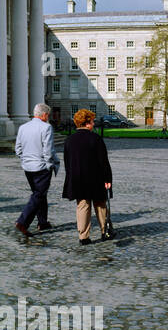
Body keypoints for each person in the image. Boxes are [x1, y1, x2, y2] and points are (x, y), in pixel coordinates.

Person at [62, 109, 114, 245]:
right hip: (96, 177)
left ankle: (83, 236)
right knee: (100, 205)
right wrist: (108, 179)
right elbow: (103, 161)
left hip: (78, 178)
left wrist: (70, 177)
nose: (94, 123)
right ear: (87, 123)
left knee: (82, 206)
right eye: (92, 121)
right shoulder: (95, 138)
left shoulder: (69, 140)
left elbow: (67, 162)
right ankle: (105, 231)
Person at [15, 103, 59, 237]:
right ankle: (23, 222)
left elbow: (18, 149)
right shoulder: (46, 127)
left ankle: (42, 221)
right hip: (41, 167)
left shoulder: (23, 127)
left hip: (27, 167)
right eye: (48, 115)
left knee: (39, 193)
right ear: (44, 115)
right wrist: (49, 164)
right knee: (38, 194)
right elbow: (48, 150)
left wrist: (25, 160)